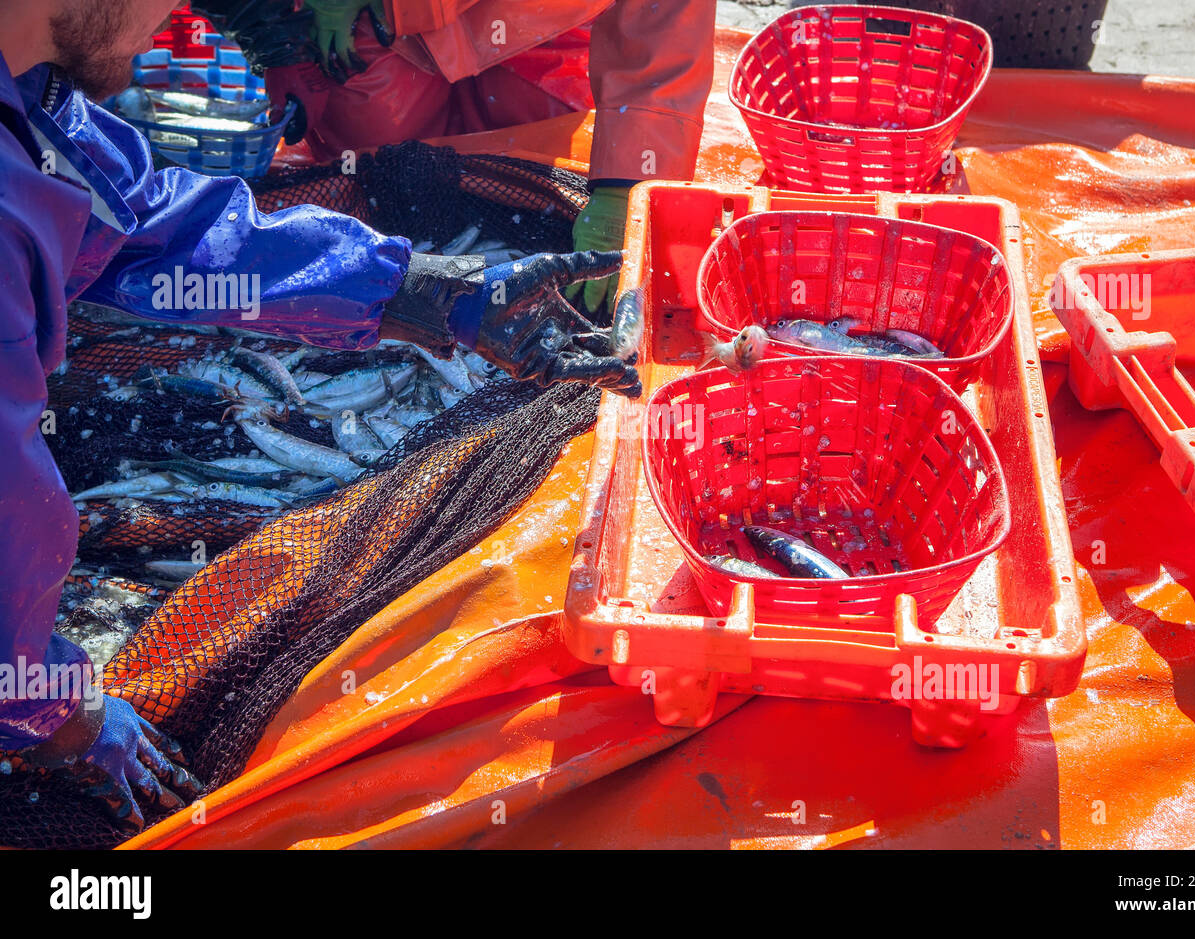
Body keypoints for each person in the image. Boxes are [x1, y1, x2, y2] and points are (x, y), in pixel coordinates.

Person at [0, 0, 641, 833]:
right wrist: (49, 708)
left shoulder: (34, 102)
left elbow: (156, 233)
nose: (175, 18)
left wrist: (422, 290)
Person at [193, 0, 717, 312]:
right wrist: (282, 42)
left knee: (533, 124)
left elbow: (666, 20)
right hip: (384, 24)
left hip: (540, 26)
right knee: (372, 143)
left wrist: (627, 183)